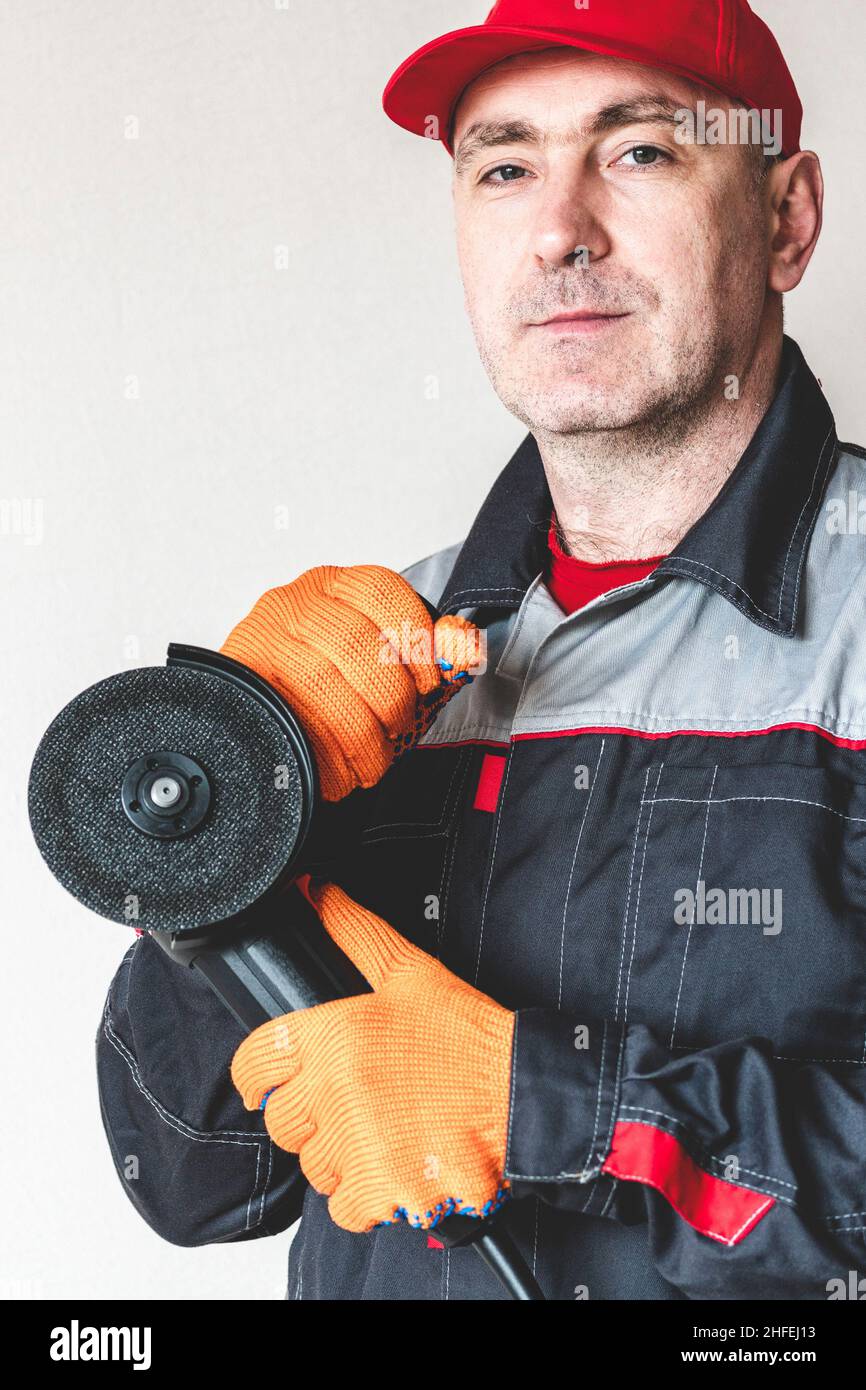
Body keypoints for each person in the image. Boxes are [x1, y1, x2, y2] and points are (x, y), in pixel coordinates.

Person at [96, 0, 866, 1300]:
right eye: (504, 165)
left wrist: (556, 1108)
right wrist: (229, 804)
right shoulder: (366, 656)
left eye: (640, 153)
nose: (560, 229)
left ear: (784, 217)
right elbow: (193, 1175)